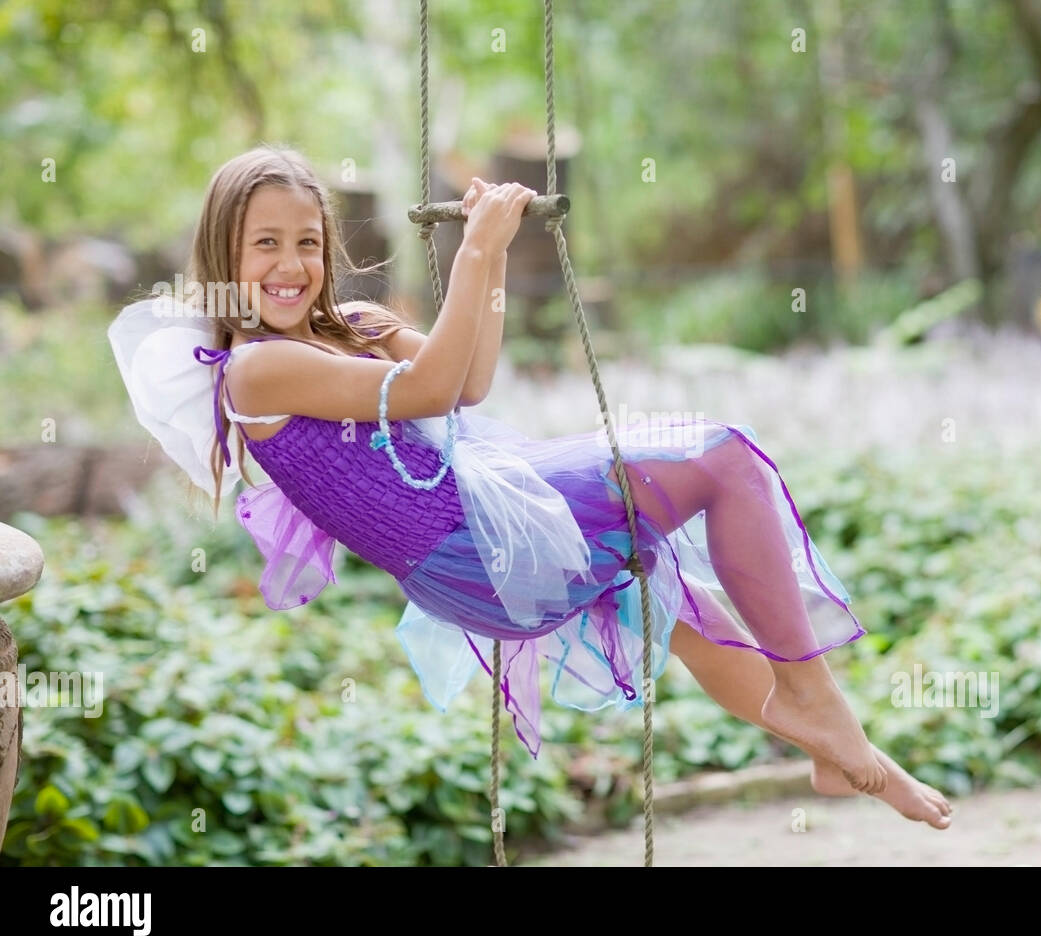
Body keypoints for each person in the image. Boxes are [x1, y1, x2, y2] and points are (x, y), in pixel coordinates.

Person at [108, 145, 951, 829]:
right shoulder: (256, 372)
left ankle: (851, 761)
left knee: (688, 606)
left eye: (307, 241)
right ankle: (815, 701)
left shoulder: (350, 328)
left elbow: (468, 378)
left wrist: (496, 255)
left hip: (489, 524)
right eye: (266, 244)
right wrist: (473, 247)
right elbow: (432, 389)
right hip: (471, 546)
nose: (291, 265)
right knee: (723, 457)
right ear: (224, 255)